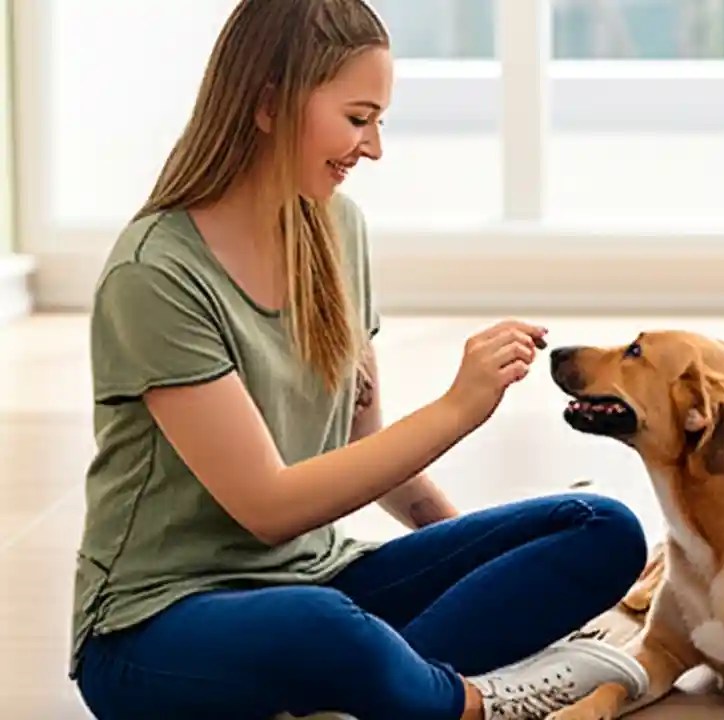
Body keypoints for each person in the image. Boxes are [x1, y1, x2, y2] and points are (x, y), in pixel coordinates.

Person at [68, 2, 651, 718]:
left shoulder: (338, 228)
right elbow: (269, 508)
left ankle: (374, 693)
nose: (372, 147)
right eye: (357, 118)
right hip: (153, 628)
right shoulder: (154, 275)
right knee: (324, 629)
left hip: (319, 582)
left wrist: (477, 562)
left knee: (601, 527)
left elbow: (363, 442)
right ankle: (471, 700)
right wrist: (458, 409)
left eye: (378, 122)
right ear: (268, 104)